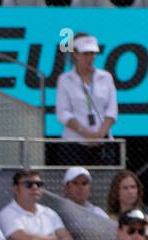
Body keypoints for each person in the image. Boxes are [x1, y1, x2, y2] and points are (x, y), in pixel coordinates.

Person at [54, 33, 119, 166]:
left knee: (104, 182)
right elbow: (63, 112)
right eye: (85, 53)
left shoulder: (106, 77)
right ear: (75, 54)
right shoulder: (65, 79)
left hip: (103, 142)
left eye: (92, 53)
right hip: (73, 144)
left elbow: (112, 110)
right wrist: (86, 134)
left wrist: (100, 134)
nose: (90, 58)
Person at [0, 170, 76, 240]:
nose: (35, 187)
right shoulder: (7, 214)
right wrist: (56, 238)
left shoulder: (49, 213)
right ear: (16, 189)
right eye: (28, 184)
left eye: (39, 184)